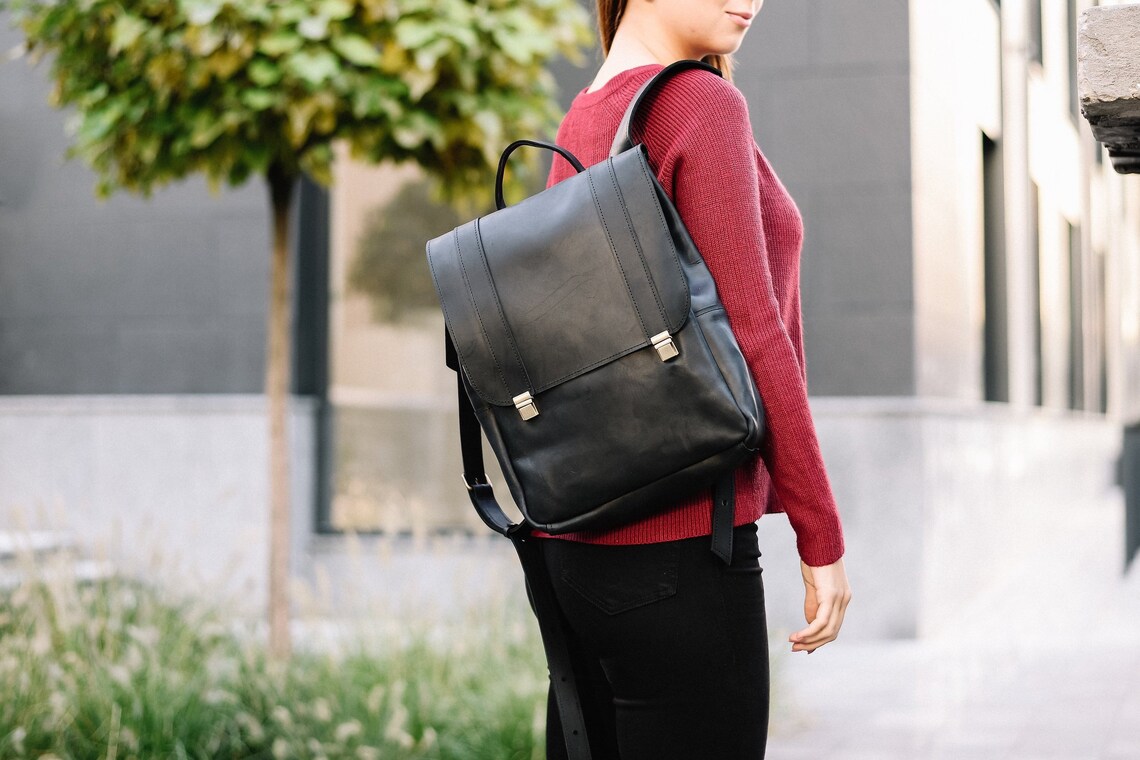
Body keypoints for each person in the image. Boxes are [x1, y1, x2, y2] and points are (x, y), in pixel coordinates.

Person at [530, 1, 854, 758]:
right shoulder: (697, 105)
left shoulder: (589, 112)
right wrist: (822, 534)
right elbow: (756, 334)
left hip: (576, 547)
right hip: (681, 551)